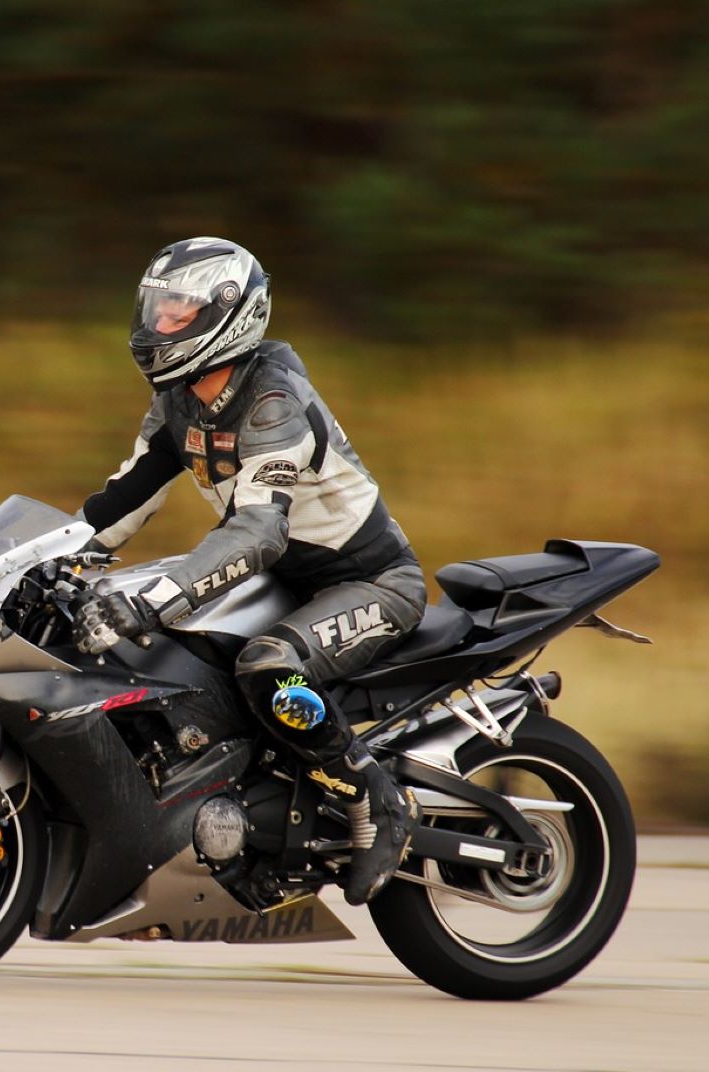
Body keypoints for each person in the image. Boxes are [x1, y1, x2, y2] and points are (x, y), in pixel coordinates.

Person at [71, 236, 425, 905]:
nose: (159, 324)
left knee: (267, 667)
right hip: (285, 581)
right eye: (158, 307)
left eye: (178, 311)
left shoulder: (271, 402)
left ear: (228, 315)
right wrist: (51, 561)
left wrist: (155, 601)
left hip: (368, 582)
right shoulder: (180, 397)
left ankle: (377, 799)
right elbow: (124, 499)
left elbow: (258, 532)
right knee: (176, 659)